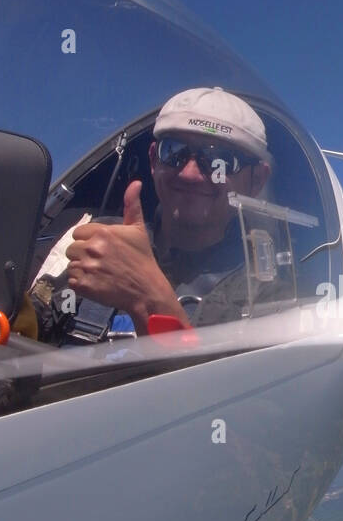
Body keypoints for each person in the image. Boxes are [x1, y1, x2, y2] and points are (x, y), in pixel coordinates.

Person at [31, 88, 274, 342]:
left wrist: (148, 295)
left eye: (219, 161)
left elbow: (229, 371)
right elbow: (22, 331)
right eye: (174, 152)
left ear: (257, 180)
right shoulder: (89, 238)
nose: (189, 174)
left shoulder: (270, 300)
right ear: (153, 160)